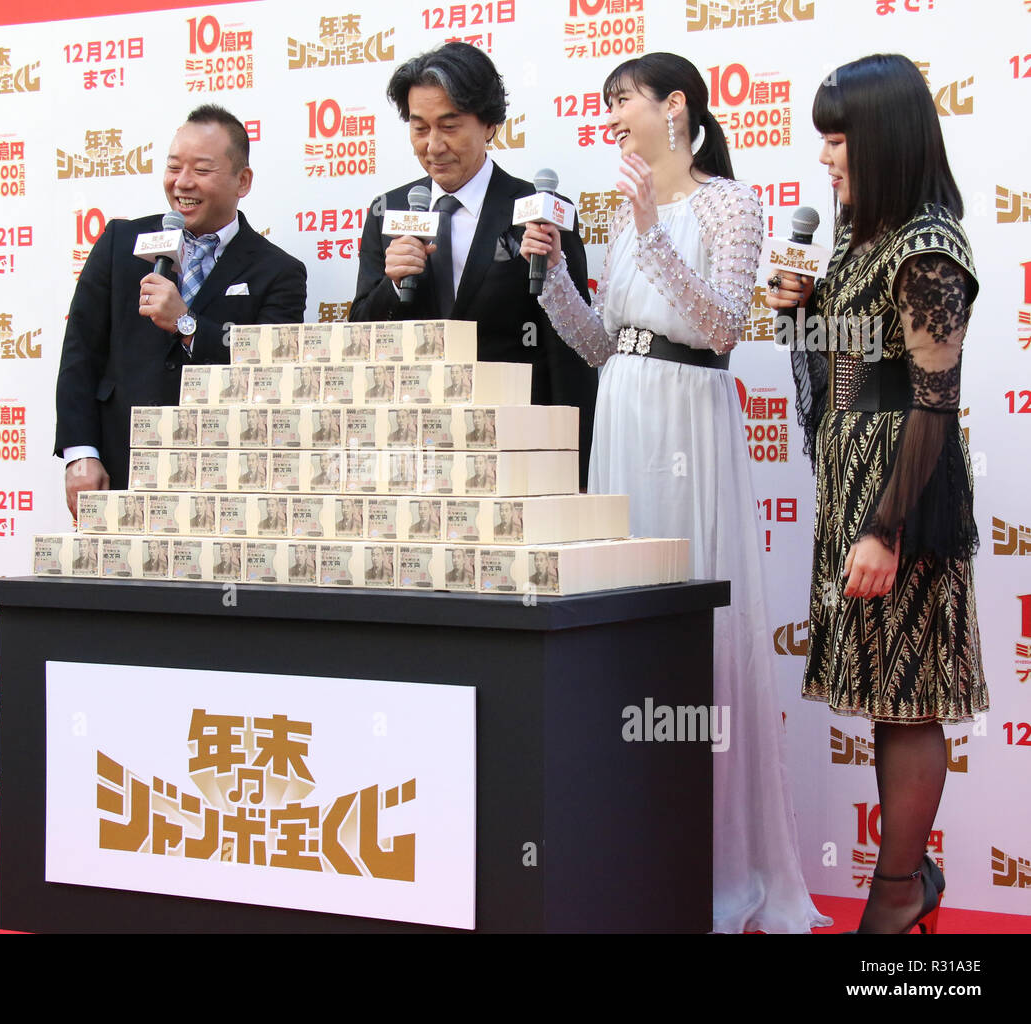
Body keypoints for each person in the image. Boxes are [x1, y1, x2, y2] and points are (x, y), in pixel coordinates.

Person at [520, 52, 827, 934]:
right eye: (607, 104)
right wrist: (548, 282)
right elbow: (601, 344)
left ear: (677, 106)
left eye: (624, 101)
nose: (611, 117)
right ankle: (631, 846)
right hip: (623, 414)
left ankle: (721, 861)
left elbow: (723, 324)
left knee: (697, 620)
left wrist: (652, 229)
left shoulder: (730, 202)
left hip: (691, 420)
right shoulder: (623, 213)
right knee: (625, 621)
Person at [766, 54, 985, 934]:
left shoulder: (928, 247)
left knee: (909, 697)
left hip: (904, 498)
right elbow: (854, 386)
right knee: (884, 697)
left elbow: (934, 400)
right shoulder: (867, 239)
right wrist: (807, 317)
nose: (827, 159)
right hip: (858, 490)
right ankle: (904, 879)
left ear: (885, 137)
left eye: (839, 138)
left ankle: (897, 893)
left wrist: (885, 529)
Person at [351, 42, 598, 482]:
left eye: (450, 126)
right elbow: (361, 333)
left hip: (517, 442)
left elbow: (568, 345)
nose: (434, 146)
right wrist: (392, 286)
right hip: (413, 444)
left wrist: (575, 459)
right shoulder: (387, 211)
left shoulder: (539, 210)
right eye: (419, 128)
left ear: (489, 125)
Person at [55, 104, 308, 512]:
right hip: (118, 468)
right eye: (174, 167)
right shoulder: (121, 242)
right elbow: (80, 352)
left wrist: (187, 324)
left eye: (202, 170)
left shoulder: (278, 272)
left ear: (242, 181)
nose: (182, 183)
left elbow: (269, 375)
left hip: (220, 481)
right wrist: (80, 453)